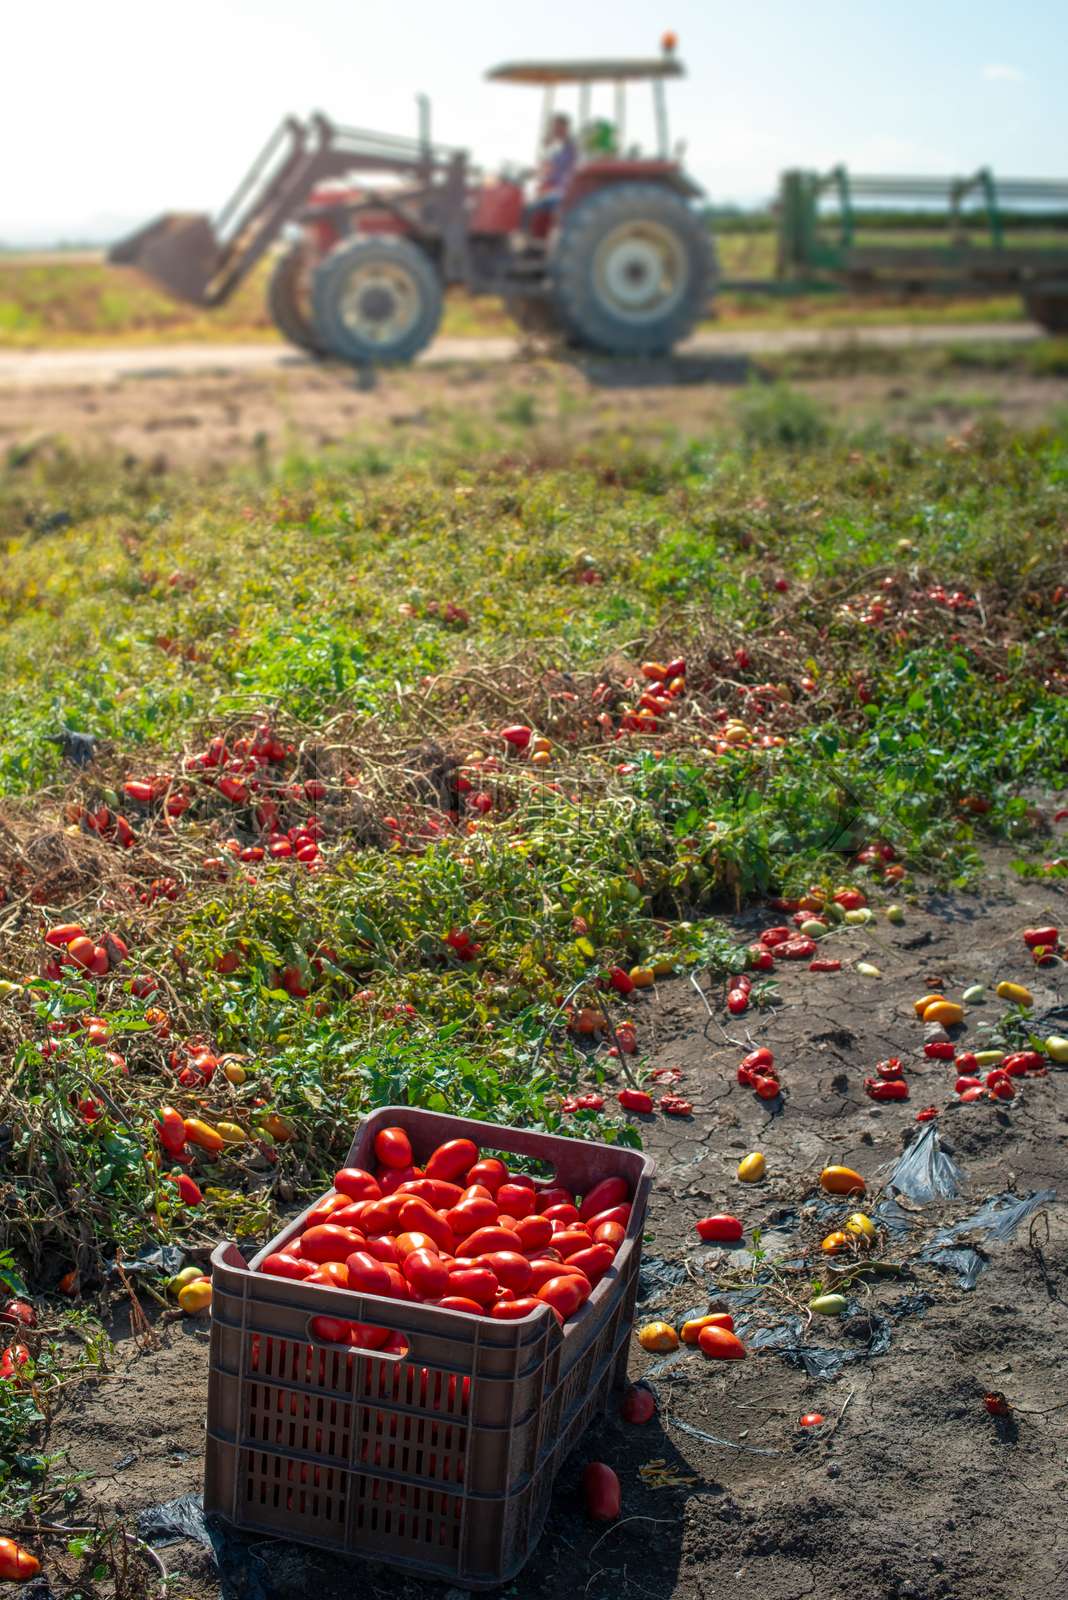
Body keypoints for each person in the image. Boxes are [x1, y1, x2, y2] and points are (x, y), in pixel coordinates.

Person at [524, 113, 578, 231]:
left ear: (565, 127)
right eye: (553, 127)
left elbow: (566, 174)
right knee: (529, 205)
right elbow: (547, 169)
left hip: (563, 192)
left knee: (530, 209)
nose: (554, 130)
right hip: (553, 189)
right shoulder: (559, 149)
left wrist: (549, 187)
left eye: (556, 127)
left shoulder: (572, 148)